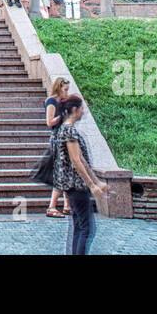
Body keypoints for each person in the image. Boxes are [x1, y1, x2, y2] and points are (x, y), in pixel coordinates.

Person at [52, 95, 109, 254]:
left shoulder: (65, 129)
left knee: (79, 227)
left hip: (73, 186)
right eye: (82, 108)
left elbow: (82, 160)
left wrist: (97, 182)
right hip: (76, 186)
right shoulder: (69, 131)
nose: (84, 112)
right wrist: (92, 185)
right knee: (86, 229)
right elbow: (76, 160)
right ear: (75, 110)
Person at [44, 77, 71, 217]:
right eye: (65, 89)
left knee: (66, 171)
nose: (66, 92)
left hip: (65, 139)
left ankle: (67, 205)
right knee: (61, 172)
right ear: (58, 88)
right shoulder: (51, 102)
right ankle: (52, 206)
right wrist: (62, 116)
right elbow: (49, 122)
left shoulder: (62, 102)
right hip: (57, 140)